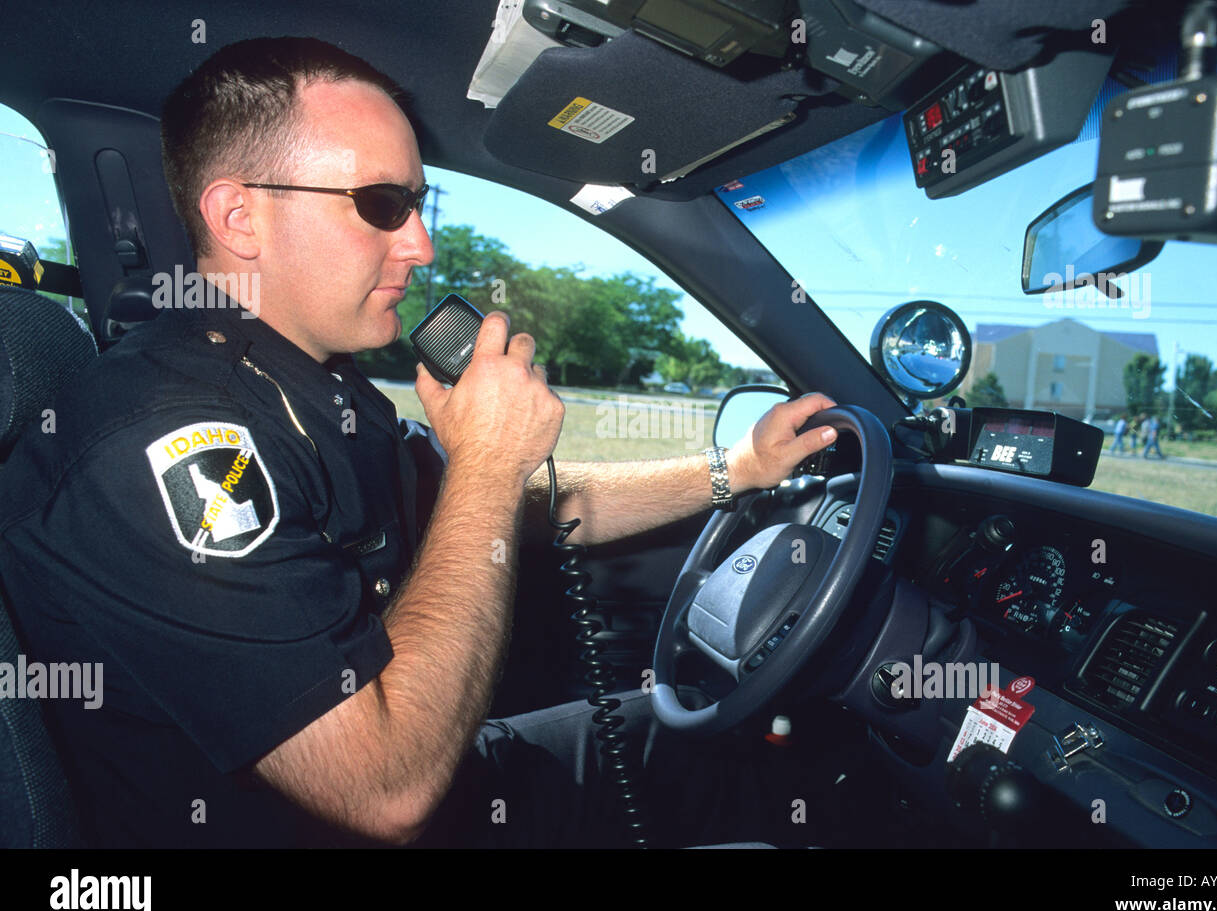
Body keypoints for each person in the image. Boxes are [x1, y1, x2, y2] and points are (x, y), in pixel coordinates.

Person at [0, 37, 841, 847]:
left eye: (418, 204)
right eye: (382, 205)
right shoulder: (167, 441)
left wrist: (740, 465)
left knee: (711, 740)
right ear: (238, 216)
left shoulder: (318, 385)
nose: (422, 244)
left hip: (454, 780)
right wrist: (485, 459)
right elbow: (384, 793)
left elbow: (519, 501)